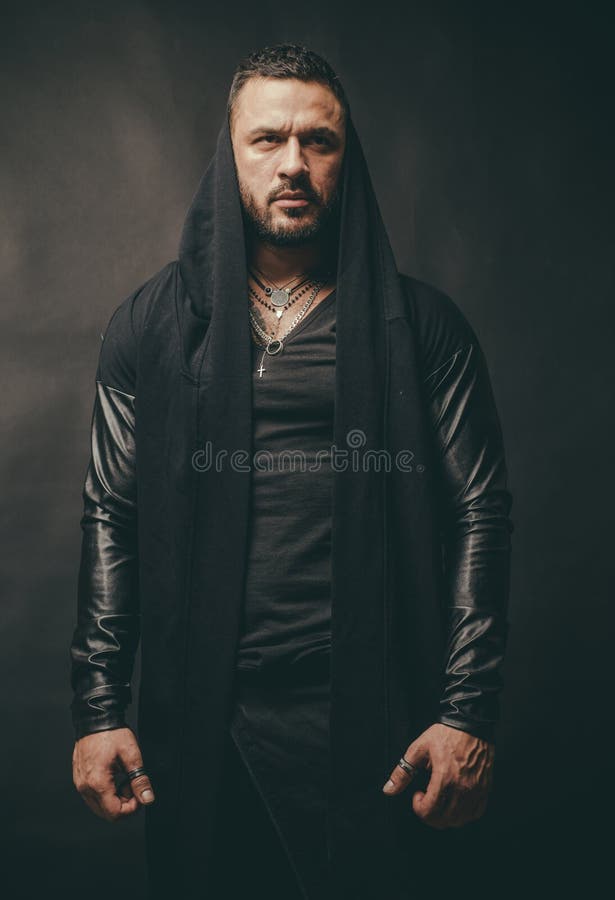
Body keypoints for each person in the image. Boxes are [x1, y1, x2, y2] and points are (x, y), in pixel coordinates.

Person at [69, 43, 514, 899]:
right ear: (230, 153)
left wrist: (466, 712)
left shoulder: (422, 327)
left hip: (374, 720)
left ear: (346, 158)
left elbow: (478, 514)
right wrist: (96, 709)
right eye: (268, 139)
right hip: (203, 721)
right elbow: (111, 513)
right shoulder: (150, 326)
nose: (293, 164)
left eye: (319, 141)